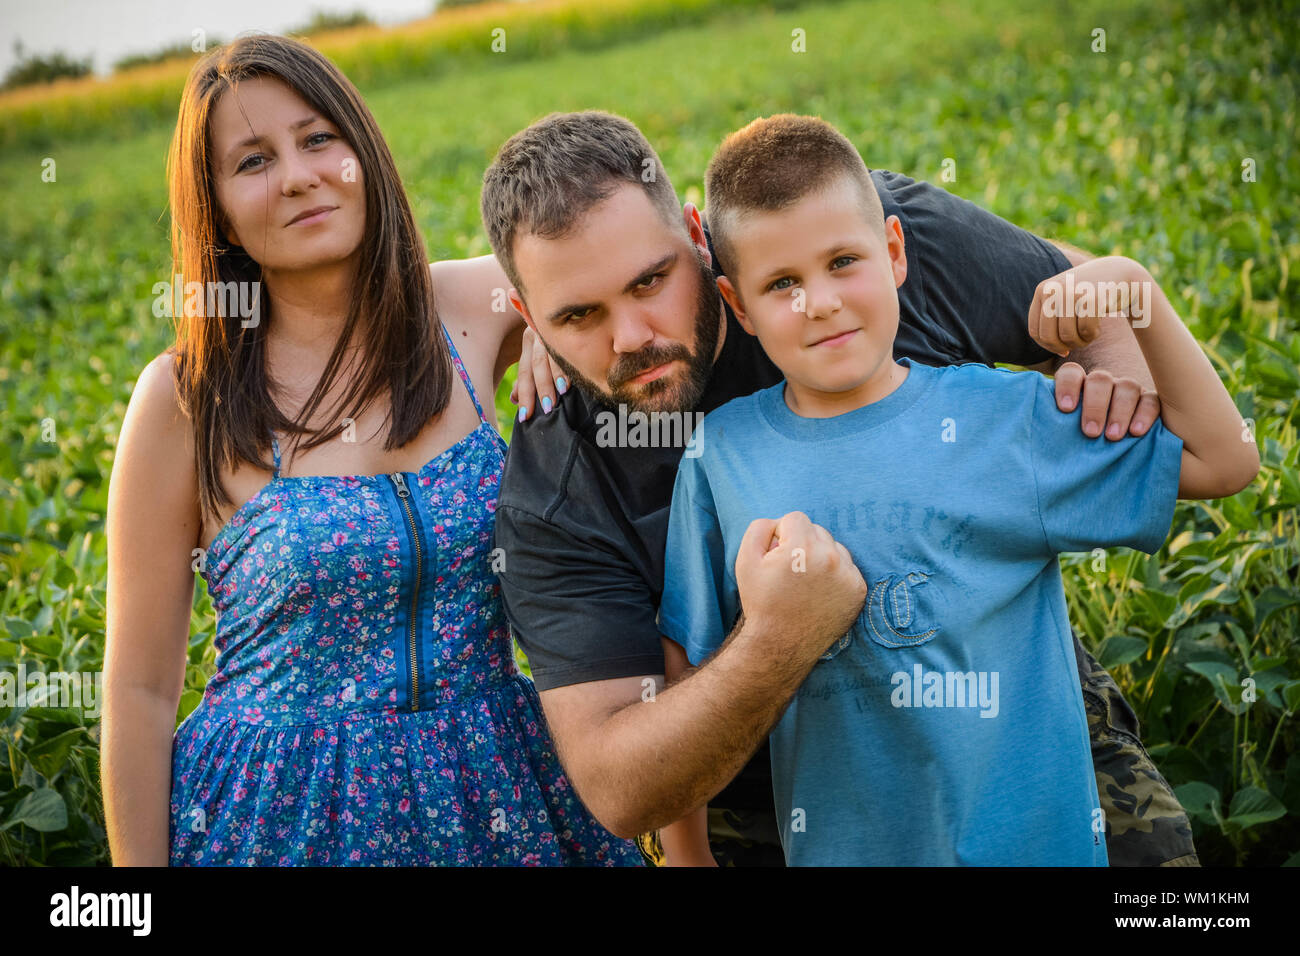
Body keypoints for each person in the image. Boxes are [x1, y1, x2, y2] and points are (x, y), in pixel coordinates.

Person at [478, 109, 1202, 866]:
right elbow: (623, 788)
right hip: (757, 778)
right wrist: (780, 637)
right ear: (531, 318)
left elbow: (1083, 291)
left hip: (1006, 711)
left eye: (650, 280)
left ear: (699, 238)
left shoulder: (845, 245)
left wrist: (1113, 367)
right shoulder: (556, 492)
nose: (631, 337)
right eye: (578, 314)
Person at [654, 113, 1258, 865]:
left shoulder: (1003, 422)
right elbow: (688, 661)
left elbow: (1225, 463)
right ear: (737, 306)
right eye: (782, 283)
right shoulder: (723, 456)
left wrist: (1141, 295)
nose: (822, 301)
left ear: (896, 251)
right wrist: (687, 856)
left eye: (844, 261)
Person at [101, 35, 642, 866]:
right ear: (217, 209)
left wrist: (565, 323)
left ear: (362, 150)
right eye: (252, 161)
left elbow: (666, 265)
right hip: (276, 817)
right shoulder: (184, 399)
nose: (297, 176)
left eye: (318, 138)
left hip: (499, 791)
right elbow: (139, 693)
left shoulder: (480, 305)